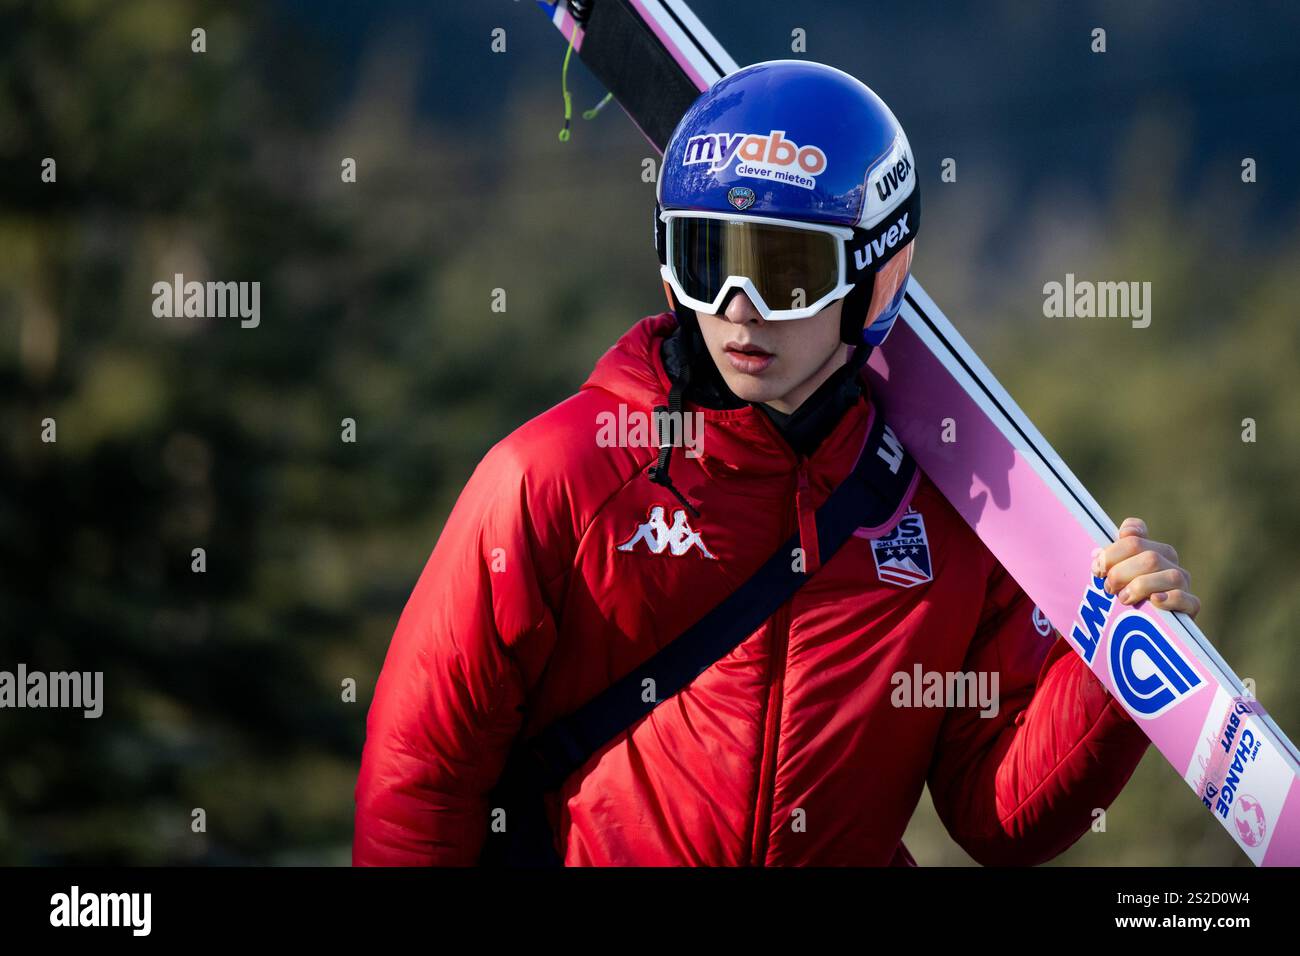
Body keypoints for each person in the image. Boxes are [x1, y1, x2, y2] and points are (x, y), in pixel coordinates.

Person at [352, 60, 1200, 866]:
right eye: (708, 257)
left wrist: (1114, 675)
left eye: (787, 269)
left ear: (879, 274)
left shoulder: (950, 510)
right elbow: (418, 777)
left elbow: (997, 817)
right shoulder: (555, 478)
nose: (740, 308)